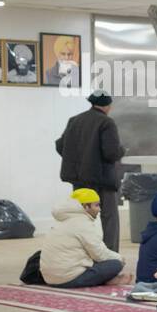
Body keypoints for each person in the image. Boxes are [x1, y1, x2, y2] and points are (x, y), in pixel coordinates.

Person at [55, 90, 125, 252]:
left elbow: (60, 146)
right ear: (108, 106)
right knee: (109, 217)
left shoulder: (74, 120)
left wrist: (79, 160)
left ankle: (81, 252)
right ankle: (110, 254)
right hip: (101, 180)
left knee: (80, 217)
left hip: (79, 180)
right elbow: (111, 153)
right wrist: (122, 150)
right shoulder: (106, 123)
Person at [41, 189, 128, 288]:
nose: (99, 209)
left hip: (49, 278)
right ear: (86, 207)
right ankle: (107, 280)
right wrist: (120, 258)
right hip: (68, 279)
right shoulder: (82, 223)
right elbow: (99, 254)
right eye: (96, 205)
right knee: (115, 264)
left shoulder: (62, 219)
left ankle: (106, 279)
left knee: (98, 260)